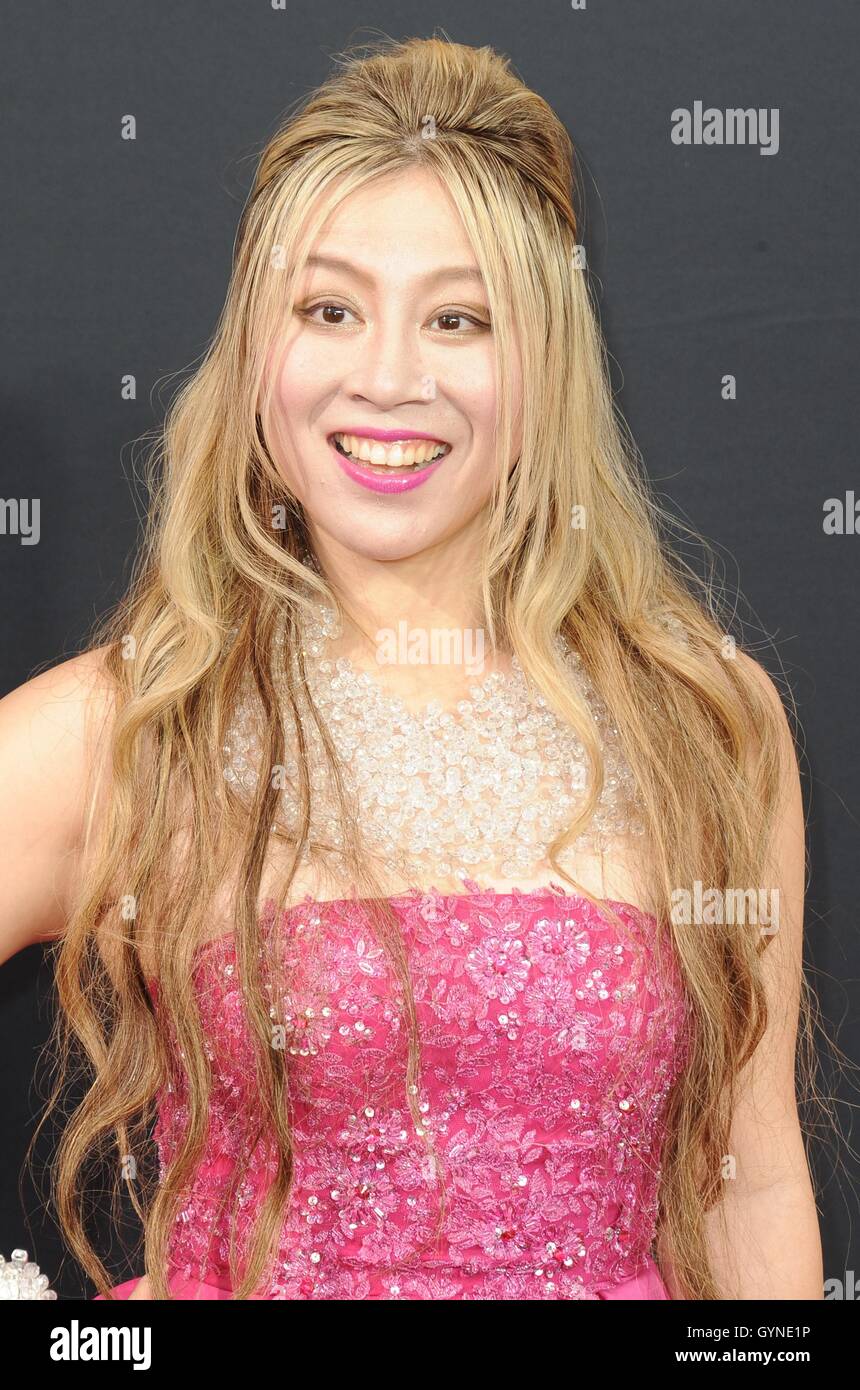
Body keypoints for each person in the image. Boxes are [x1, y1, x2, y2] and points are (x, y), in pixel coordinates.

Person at [0, 35, 820, 1300]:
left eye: (458, 319)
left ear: (542, 360)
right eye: (328, 309)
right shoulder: (130, 727)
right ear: (256, 356)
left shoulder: (703, 721)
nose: (387, 378)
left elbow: (750, 1179)